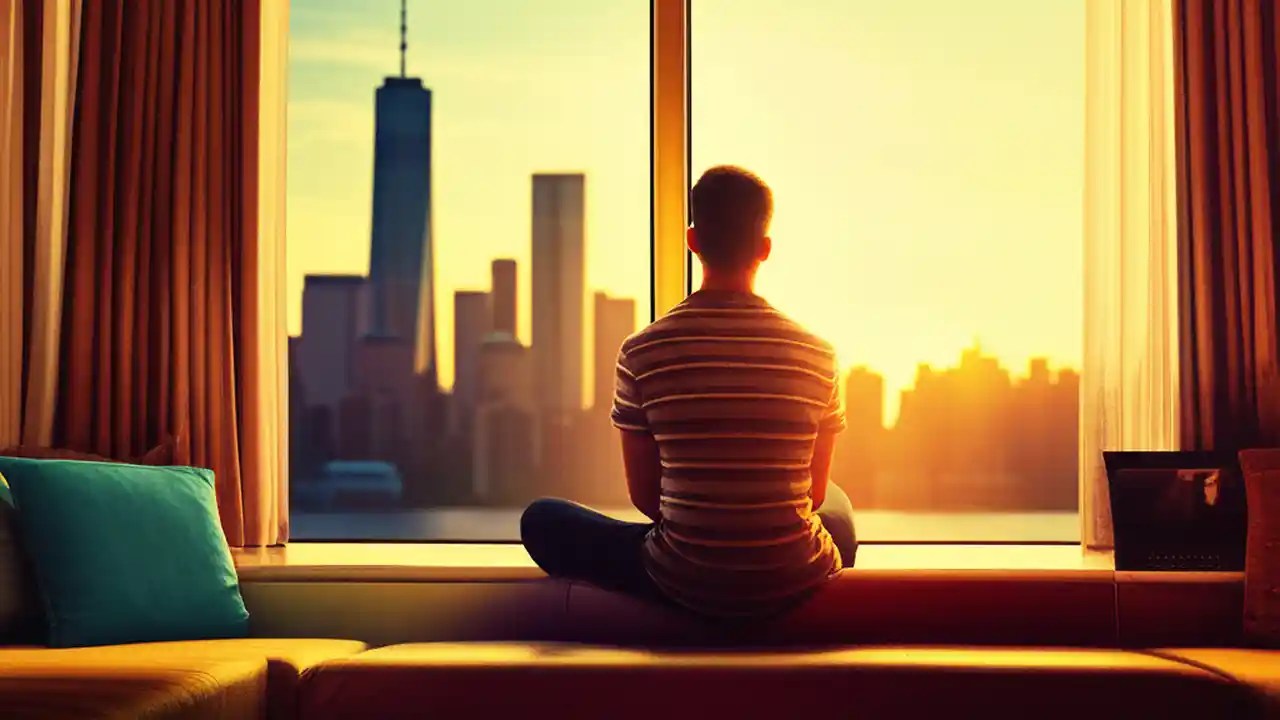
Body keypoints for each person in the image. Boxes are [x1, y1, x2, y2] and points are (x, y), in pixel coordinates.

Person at [521, 165, 857, 617]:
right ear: (765, 248)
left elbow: (646, 499)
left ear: (692, 241)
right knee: (838, 505)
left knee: (542, 519)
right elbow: (813, 498)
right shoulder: (818, 354)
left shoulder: (643, 351)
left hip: (683, 580)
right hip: (794, 576)